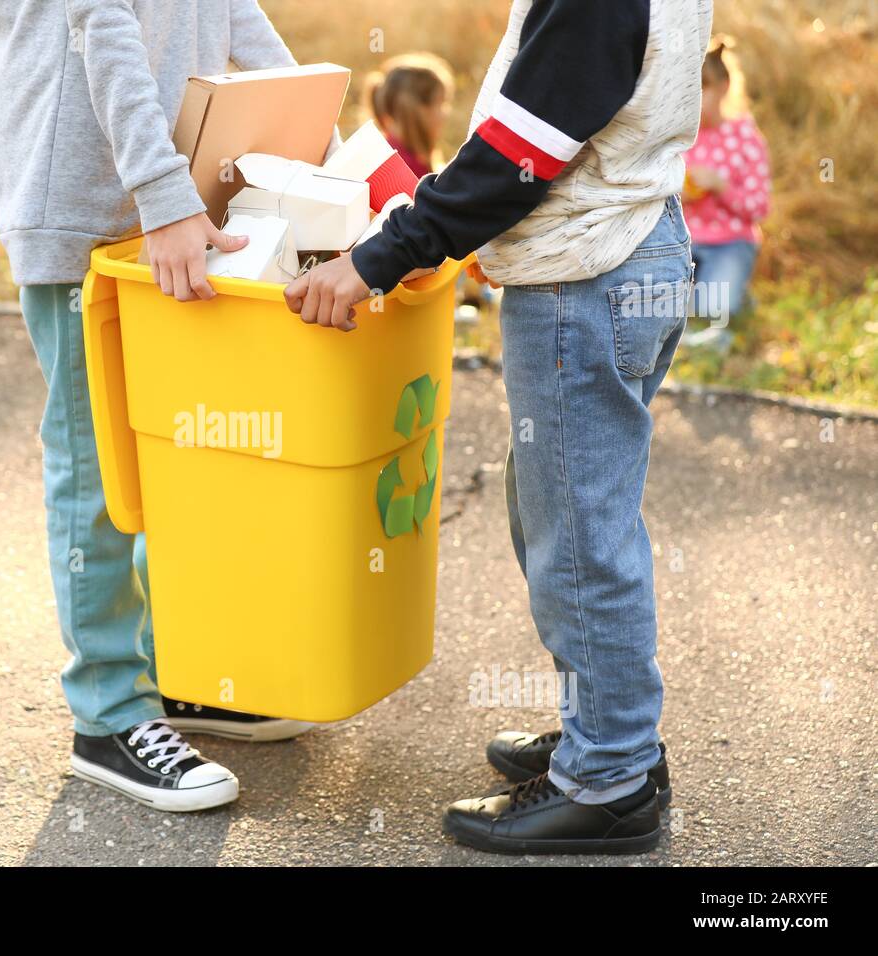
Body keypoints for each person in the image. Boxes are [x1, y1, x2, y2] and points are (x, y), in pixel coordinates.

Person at [285, 0, 712, 854]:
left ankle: (611, 781)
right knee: (562, 515)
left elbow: (523, 154)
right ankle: (607, 732)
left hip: (585, 270)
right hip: (631, 242)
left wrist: (381, 255)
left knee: (581, 537)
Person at [0, 0, 312, 814]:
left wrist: (333, 163)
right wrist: (164, 195)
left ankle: (172, 676)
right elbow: (100, 23)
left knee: (179, 460)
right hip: (91, 215)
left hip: (175, 214)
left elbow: (240, 23)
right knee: (95, 465)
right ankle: (108, 714)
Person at [681, 35, 770, 351]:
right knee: (661, 305)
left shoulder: (745, 137)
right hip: (686, 242)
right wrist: (680, 193)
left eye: (702, 90)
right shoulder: (681, 136)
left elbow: (759, 208)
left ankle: (733, 300)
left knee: (707, 310)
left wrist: (721, 187)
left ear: (722, 89)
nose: (695, 98)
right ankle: (734, 297)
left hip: (729, 242)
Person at [365, 53, 456, 178]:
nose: (445, 113)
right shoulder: (407, 169)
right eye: (440, 103)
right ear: (419, 109)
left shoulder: (387, 154)